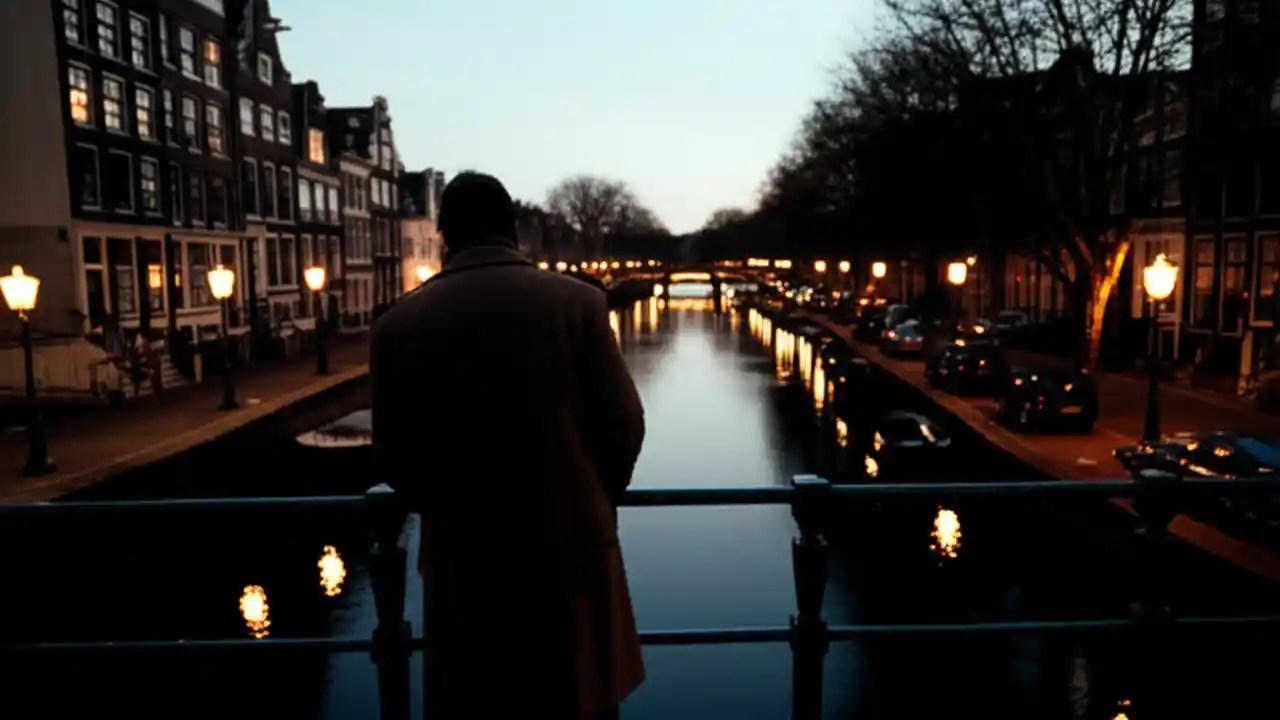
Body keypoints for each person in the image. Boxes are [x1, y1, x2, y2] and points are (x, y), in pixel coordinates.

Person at [370, 172, 646, 719]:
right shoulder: (580, 304)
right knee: (577, 696)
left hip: (465, 564)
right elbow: (625, 423)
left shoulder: (399, 325)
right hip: (569, 556)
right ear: (513, 230)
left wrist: (449, 505)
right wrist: (590, 493)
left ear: (445, 235)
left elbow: (396, 455)